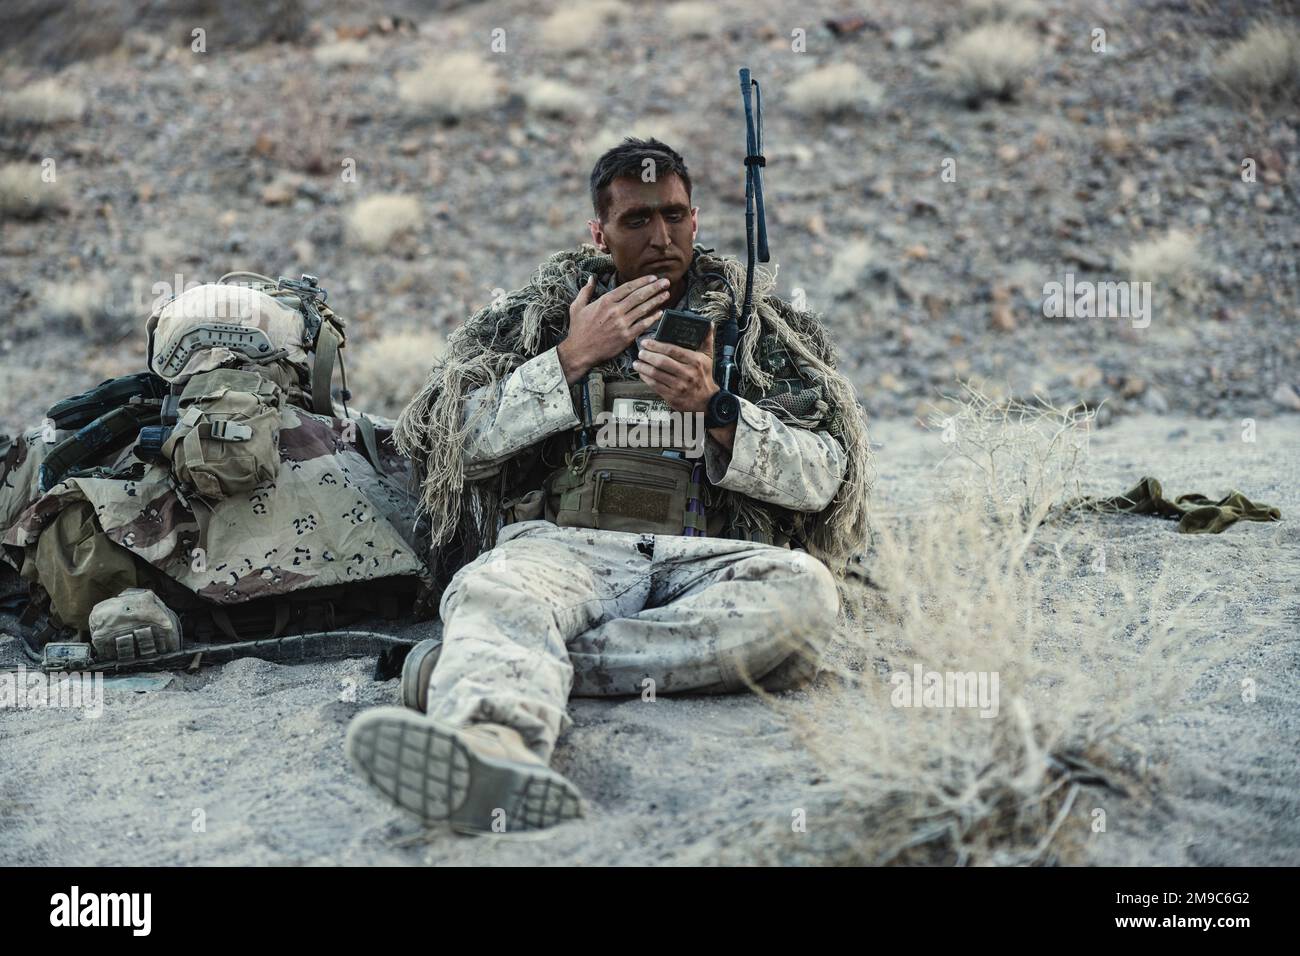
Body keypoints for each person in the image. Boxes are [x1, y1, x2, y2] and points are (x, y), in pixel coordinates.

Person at [345, 138, 873, 833]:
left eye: (675, 215)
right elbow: (447, 445)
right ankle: (492, 743)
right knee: (491, 589)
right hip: (567, 552)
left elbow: (825, 477)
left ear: (695, 217)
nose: (661, 237)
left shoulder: (758, 330)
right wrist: (567, 360)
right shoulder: (540, 320)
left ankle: (494, 662)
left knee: (804, 598)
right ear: (599, 232)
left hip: (704, 562)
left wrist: (719, 413)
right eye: (636, 221)